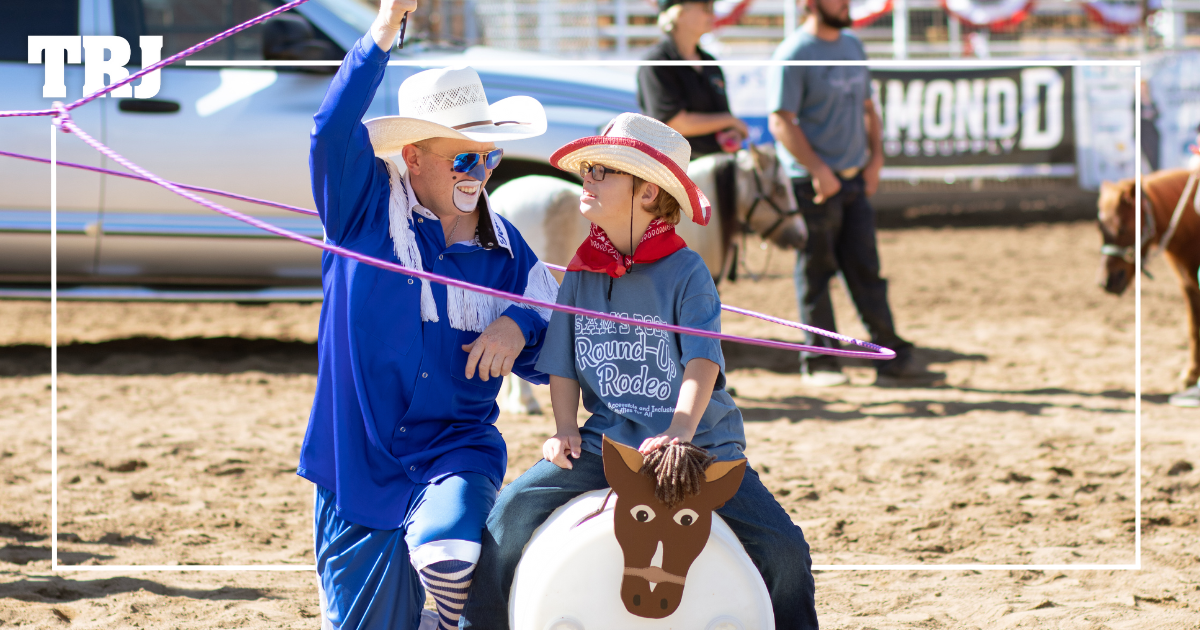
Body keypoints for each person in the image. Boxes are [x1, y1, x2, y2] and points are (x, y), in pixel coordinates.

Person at [460, 113, 819, 630]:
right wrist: (563, 428)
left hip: (698, 448)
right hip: (609, 444)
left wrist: (679, 431)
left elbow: (702, 361)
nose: (588, 178)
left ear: (648, 192)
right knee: (507, 518)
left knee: (784, 551)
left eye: (603, 171)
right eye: (588, 169)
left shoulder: (686, 270)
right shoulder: (581, 271)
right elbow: (560, 361)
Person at [301, 1, 558, 628]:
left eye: (489, 158)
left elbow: (557, 329)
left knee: (451, 549)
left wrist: (518, 323)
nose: (480, 174)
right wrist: (383, 31)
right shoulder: (360, 212)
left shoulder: (505, 250)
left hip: (456, 453)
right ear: (412, 158)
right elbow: (330, 132)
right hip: (354, 464)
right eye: (462, 159)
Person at [767, 0, 917, 387]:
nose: (846, 2)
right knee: (816, 271)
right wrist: (818, 169)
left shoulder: (852, 44)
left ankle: (887, 349)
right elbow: (781, 120)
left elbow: (869, 107)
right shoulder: (794, 53)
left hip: (851, 179)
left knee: (866, 265)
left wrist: (875, 159)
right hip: (812, 183)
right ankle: (819, 360)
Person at [638, 0, 748, 158]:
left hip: (717, 169)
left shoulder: (710, 63)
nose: (712, 14)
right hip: (676, 173)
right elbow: (674, 123)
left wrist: (732, 133)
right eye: (706, 8)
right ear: (679, 14)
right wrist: (729, 121)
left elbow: (721, 118)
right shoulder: (656, 62)